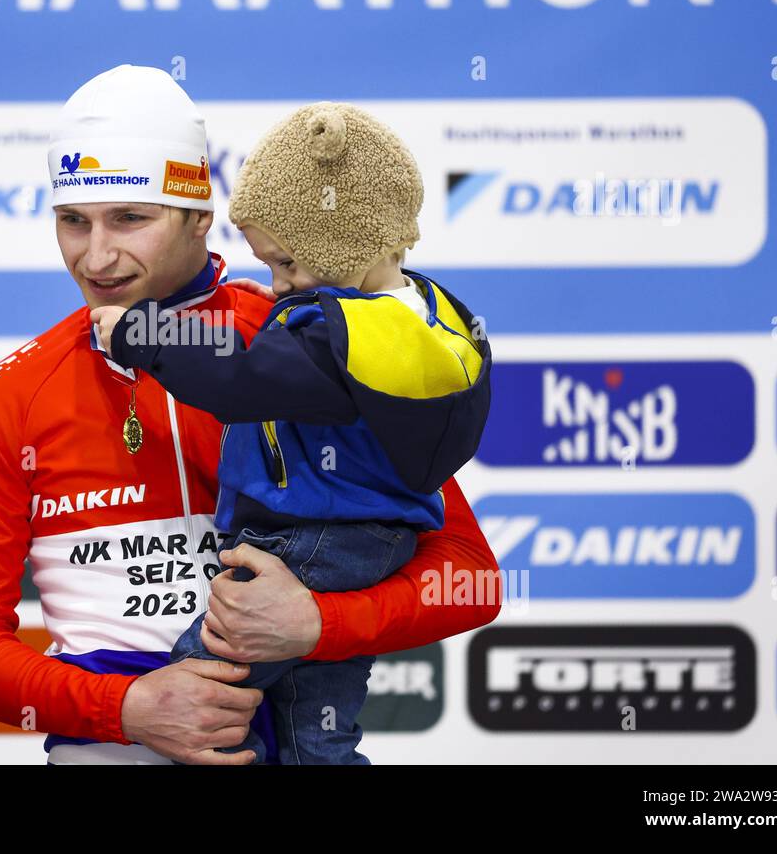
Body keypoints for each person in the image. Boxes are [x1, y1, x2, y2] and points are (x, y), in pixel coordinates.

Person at [0, 64, 502, 765]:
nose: (97, 255)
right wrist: (128, 709)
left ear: (201, 216)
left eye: (130, 218)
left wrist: (317, 624)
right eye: (73, 222)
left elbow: (469, 579)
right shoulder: (6, 397)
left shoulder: (309, 350)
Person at [92, 102, 492, 763]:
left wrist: (142, 333)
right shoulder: (426, 319)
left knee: (202, 682)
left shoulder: (346, 336)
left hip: (312, 542)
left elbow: (238, 377)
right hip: (367, 546)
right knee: (318, 730)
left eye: (287, 265)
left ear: (342, 246)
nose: (277, 287)